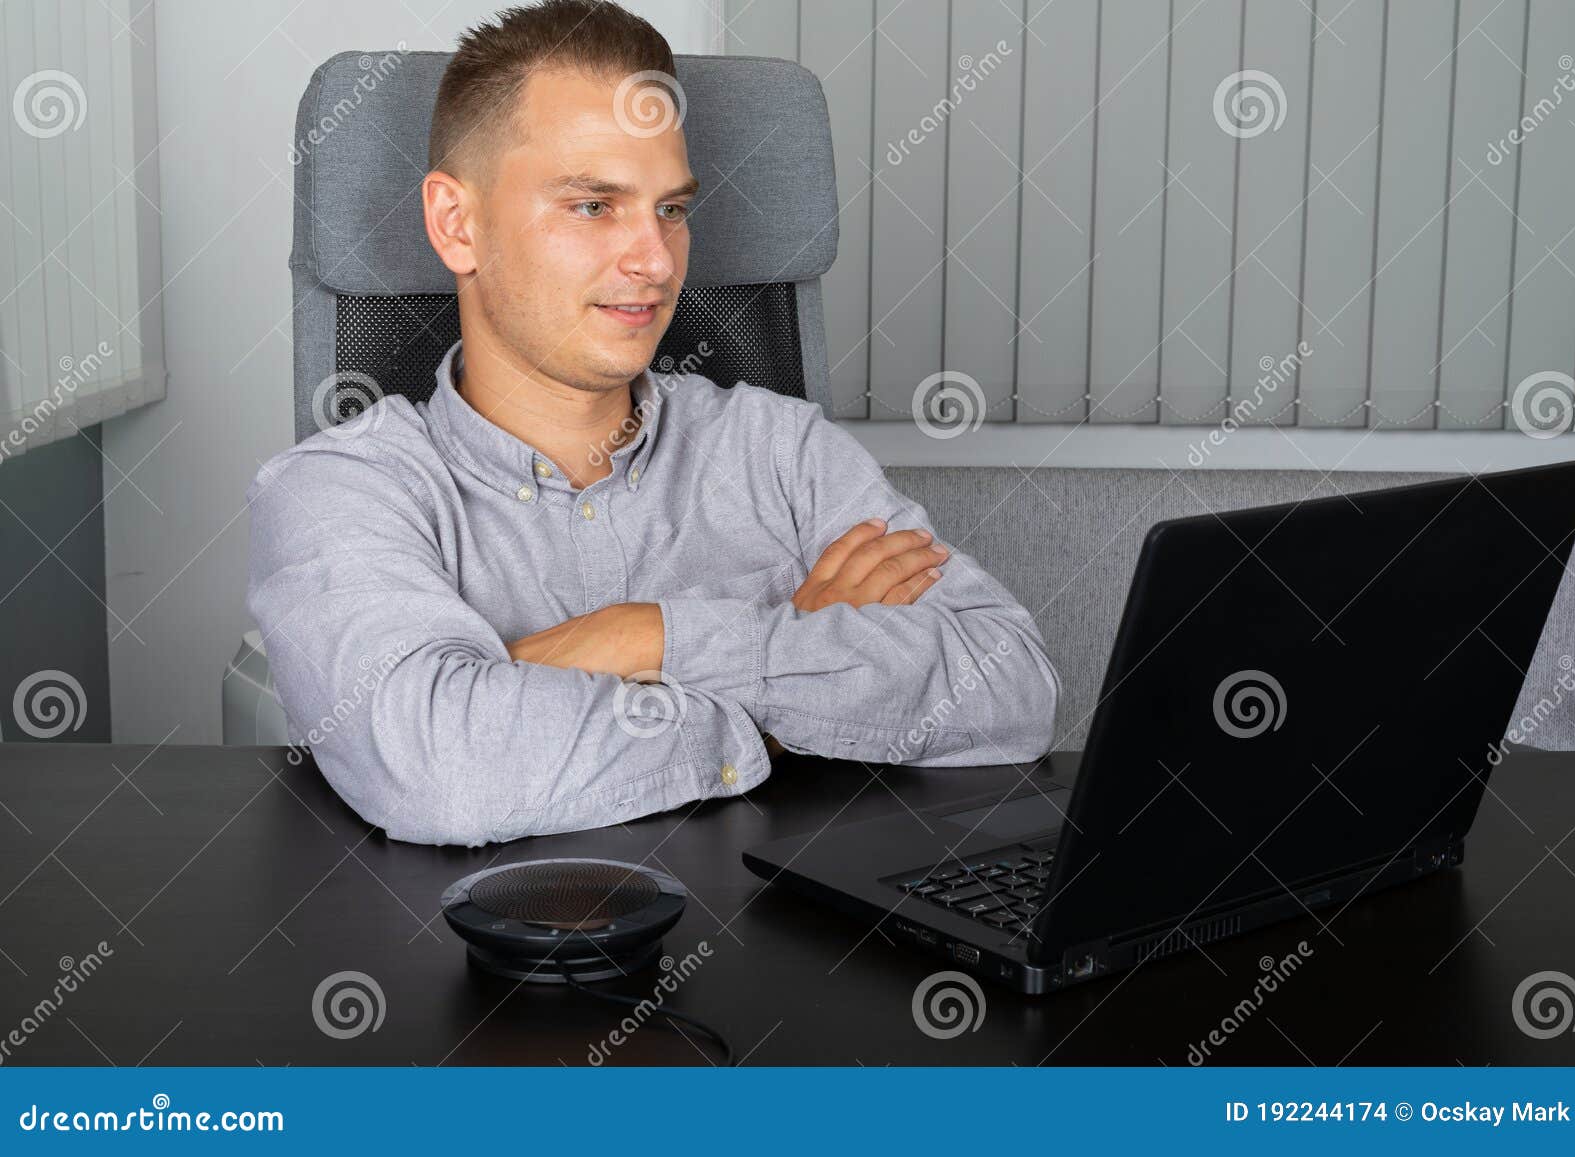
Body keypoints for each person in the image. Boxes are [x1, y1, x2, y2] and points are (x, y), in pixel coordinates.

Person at [246, 0, 1061, 847]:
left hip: (780, 958)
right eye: (594, 206)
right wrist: (784, 689)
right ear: (458, 224)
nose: (656, 260)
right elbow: (444, 770)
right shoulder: (338, 491)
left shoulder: (782, 450)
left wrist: (641, 636)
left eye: (671, 209)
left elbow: (1013, 689)